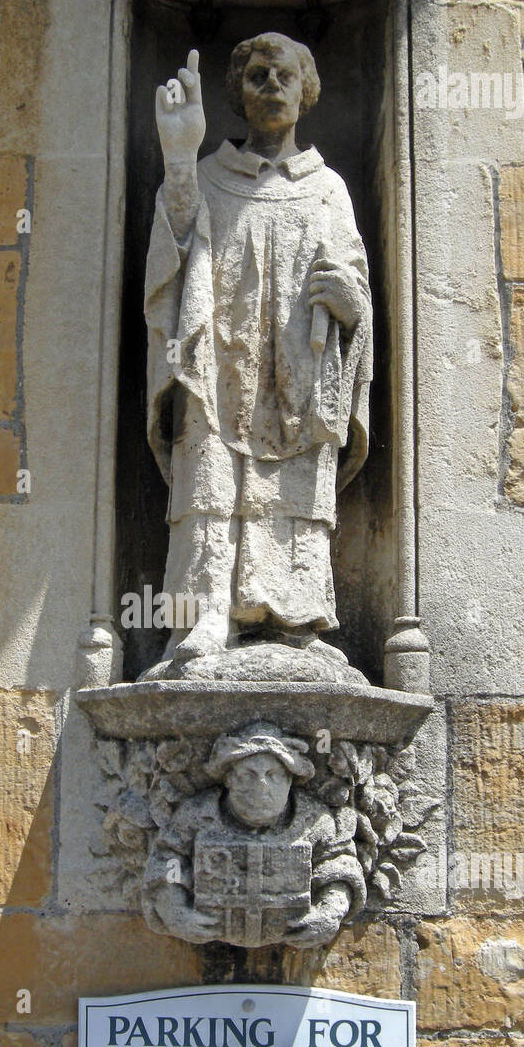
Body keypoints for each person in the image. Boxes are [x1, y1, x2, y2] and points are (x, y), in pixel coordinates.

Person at [145, 34, 373, 663]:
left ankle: (294, 621)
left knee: (295, 486)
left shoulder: (328, 189)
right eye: (256, 75)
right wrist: (179, 155)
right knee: (211, 480)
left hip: (301, 375)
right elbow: (177, 246)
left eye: (285, 75)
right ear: (237, 93)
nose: (271, 85)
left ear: (307, 90)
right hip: (219, 365)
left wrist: (352, 307)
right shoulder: (212, 176)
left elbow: (357, 295)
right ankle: (204, 615)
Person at [142, 722, 367, 947]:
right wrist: (173, 908)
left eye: (274, 775)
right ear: (228, 779)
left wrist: (331, 910)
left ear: (290, 780)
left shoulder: (312, 819)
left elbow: (339, 865)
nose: (261, 786)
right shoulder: (198, 814)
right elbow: (168, 859)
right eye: (248, 775)